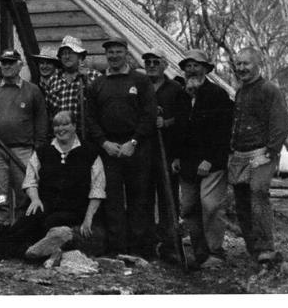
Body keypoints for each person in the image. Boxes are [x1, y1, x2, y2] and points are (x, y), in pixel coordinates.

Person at [0, 111, 107, 259]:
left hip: (76, 208)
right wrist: (35, 199)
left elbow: (97, 189)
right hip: (46, 203)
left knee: (51, 222)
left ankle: (30, 251)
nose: (60, 129)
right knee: (28, 219)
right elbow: (30, 180)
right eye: (56, 125)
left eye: (65, 124)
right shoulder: (43, 151)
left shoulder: (90, 151)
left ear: (74, 126)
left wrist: (88, 218)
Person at [86, 37, 157, 258]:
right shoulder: (97, 84)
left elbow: (149, 114)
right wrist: (104, 143)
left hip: (136, 147)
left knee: (139, 198)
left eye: (118, 51)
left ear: (126, 53)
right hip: (109, 148)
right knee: (112, 199)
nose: (114, 56)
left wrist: (134, 142)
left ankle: (140, 249)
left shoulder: (140, 80)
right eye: (110, 52)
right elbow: (90, 119)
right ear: (105, 55)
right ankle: (117, 249)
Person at [228, 46, 288, 264]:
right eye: (238, 64)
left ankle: (266, 248)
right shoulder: (240, 91)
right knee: (241, 200)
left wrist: (270, 152)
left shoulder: (269, 89)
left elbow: (282, 123)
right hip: (240, 154)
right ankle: (253, 249)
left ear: (257, 64)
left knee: (258, 194)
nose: (241, 68)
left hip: (261, 153)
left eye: (246, 63)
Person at [171, 49, 232, 268]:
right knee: (189, 208)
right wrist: (176, 156)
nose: (191, 70)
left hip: (211, 163)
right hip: (187, 163)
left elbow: (224, 132)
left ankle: (216, 252)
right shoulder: (182, 96)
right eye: (188, 66)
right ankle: (200, 253)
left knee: (210, 206)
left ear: (205, 69)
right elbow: (178, 130)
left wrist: (210, 159)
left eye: (196, 65)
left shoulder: (217, 94)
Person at [0, 49, 49, 230]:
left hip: (23, 149)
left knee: (25, 192)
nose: (7, 66)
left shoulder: (32, 90)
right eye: (4, 62)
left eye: (11, 62)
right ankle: (1, 231)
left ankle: (21, 231)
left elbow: (41, 121)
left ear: (19, 65)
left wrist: (38, 148)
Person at [142, 48, 190, 258]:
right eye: (148, 62)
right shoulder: (141, 86)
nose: (151, 66)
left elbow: (185, 119)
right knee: (144, 198)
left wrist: (167, 122)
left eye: (156, 62)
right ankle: (147, 244)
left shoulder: (175, 89)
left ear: (165, 65)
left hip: (167, 153)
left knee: (167, 198)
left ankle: (170, 244)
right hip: (144, 152)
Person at [45, 35, 102, 145]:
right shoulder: (53, 80)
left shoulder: (94, 76)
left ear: (80, 56)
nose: (67, 57)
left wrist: (86, 81)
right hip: (61, 137)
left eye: (71, 53)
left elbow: (100, 106)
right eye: (64, 54)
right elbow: (49, 112)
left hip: (87, 138)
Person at [31, 47, 63, 113]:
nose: (44, 66)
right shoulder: (34, 83)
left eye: (48, 63)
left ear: (55, 65)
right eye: (42, 63)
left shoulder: (62, 82)